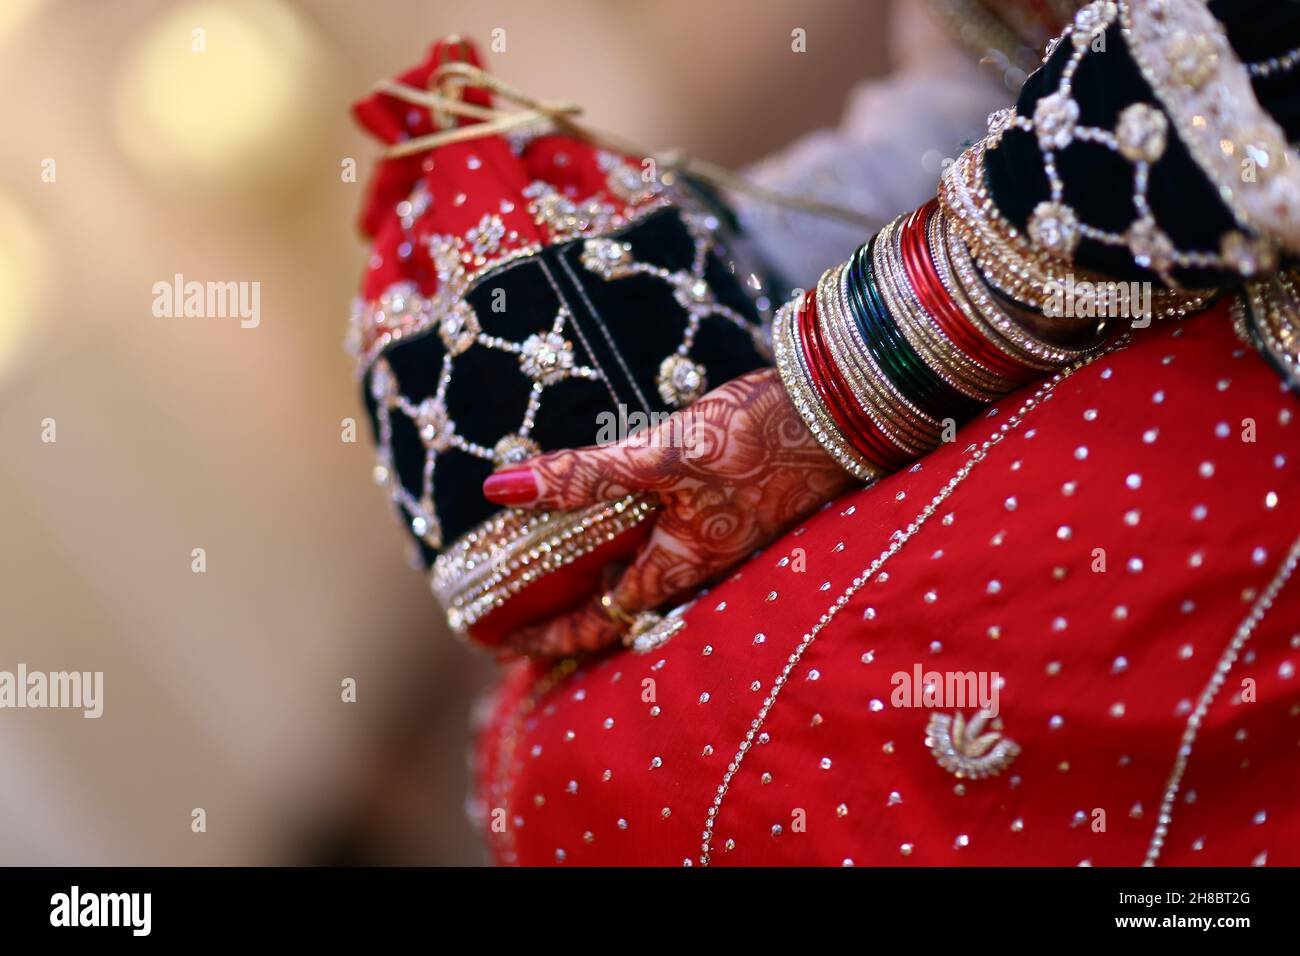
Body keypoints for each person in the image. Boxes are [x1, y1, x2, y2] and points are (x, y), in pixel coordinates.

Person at [468, 0, 1300, 866]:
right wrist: (683, 267)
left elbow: (1241, 73)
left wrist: (821, 403)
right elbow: (993, 82)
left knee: (696, 739)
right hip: (1142, 288)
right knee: (570, 740)